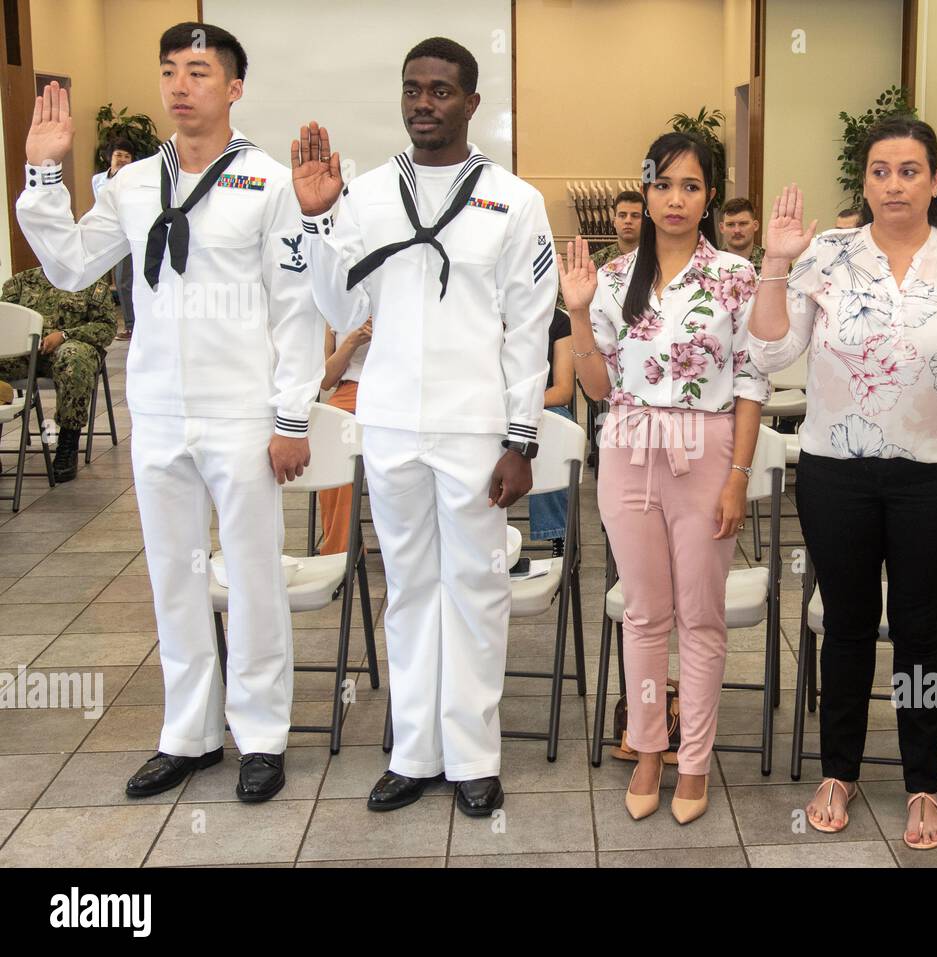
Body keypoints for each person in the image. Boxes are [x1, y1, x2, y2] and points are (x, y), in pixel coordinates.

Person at [16, 22, 323, 802]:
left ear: (234, 87)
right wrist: (44, 177)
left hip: (242, 414)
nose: (180, 85)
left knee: (253, 576)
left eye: (198, 70)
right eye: (168, 71)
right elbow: (70, 263)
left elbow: (294, 309)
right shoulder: (131, 183)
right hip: (157, 409)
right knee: (173, 577)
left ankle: (260, 732)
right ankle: (189, 733)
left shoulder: (269, 182)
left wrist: (291, 416)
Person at [293, 37, 555, 818]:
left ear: (472, 103)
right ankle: (414, 751)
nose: (423, 103)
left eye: (441, 91)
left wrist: (520, 438)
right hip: (393, 424)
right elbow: (341, 309)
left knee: (474, 588)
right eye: (413, 89)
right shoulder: (367, 194)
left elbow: (530, 328)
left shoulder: (513, 198)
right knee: (407, 588)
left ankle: (473, 755)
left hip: (476, 429)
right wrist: (316, 221)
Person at [747, 117, 937, 849]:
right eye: (879, 171)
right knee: (847, 623)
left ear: (935, 180)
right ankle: (839, 769)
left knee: (923, 630)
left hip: (936, 478)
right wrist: (775, 262)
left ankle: (923, 781)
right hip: (837, 473)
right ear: (864, 182)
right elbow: (770, 353)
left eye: (908, 170)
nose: (893, 184)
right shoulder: (827, 255)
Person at [562, 132, 770, 825]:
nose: (674, 199)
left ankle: (695, 760)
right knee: (645, 614)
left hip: (705, 447)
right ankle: (649, 747)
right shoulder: (615, 278)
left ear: (710, 196)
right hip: (626, 443)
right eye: (662, 185)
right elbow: (595, 382)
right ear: (644, 192)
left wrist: (738, 475)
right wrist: (576, 311)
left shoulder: (736, 274)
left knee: (701, 615)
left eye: (690, 186)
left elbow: (750, 381)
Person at [0, 267, 116, 482]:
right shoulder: (21, 282)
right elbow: (4, 319)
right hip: (26, 353)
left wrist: (65, 335)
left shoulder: (90, 281)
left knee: (73, 360)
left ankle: (67, 446)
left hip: (71, 349)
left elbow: (107, 328)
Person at [317, 318, 371, 554]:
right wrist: (352, 341)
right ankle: (341, 550)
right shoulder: (334, 309)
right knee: (332, 440)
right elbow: (325, 381)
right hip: (350, 392)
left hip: (396, 393)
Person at [528, 307, 574, 556]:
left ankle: (557, 536)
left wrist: (521, 406)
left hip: (541, 402)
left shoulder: (558, 320)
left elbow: (563, 390)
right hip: (489, 404)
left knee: (553, 430)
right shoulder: (482, 310)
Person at [92, 139, 138, 342]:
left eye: (127, 156)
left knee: (123, 281)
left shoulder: (135, 180)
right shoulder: (98, 180)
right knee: (99, 282)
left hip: (126, 236)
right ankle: (98, 323)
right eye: (119, 155)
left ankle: (131, 326)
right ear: (110, 157)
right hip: (103, 235)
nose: (123, 159)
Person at [719, 196, 764, 268]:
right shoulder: (711, 265)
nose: (737, 230)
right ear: (722, 228)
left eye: (743, 224)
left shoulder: (771, 263)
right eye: (730, 224)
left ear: (755, 226)